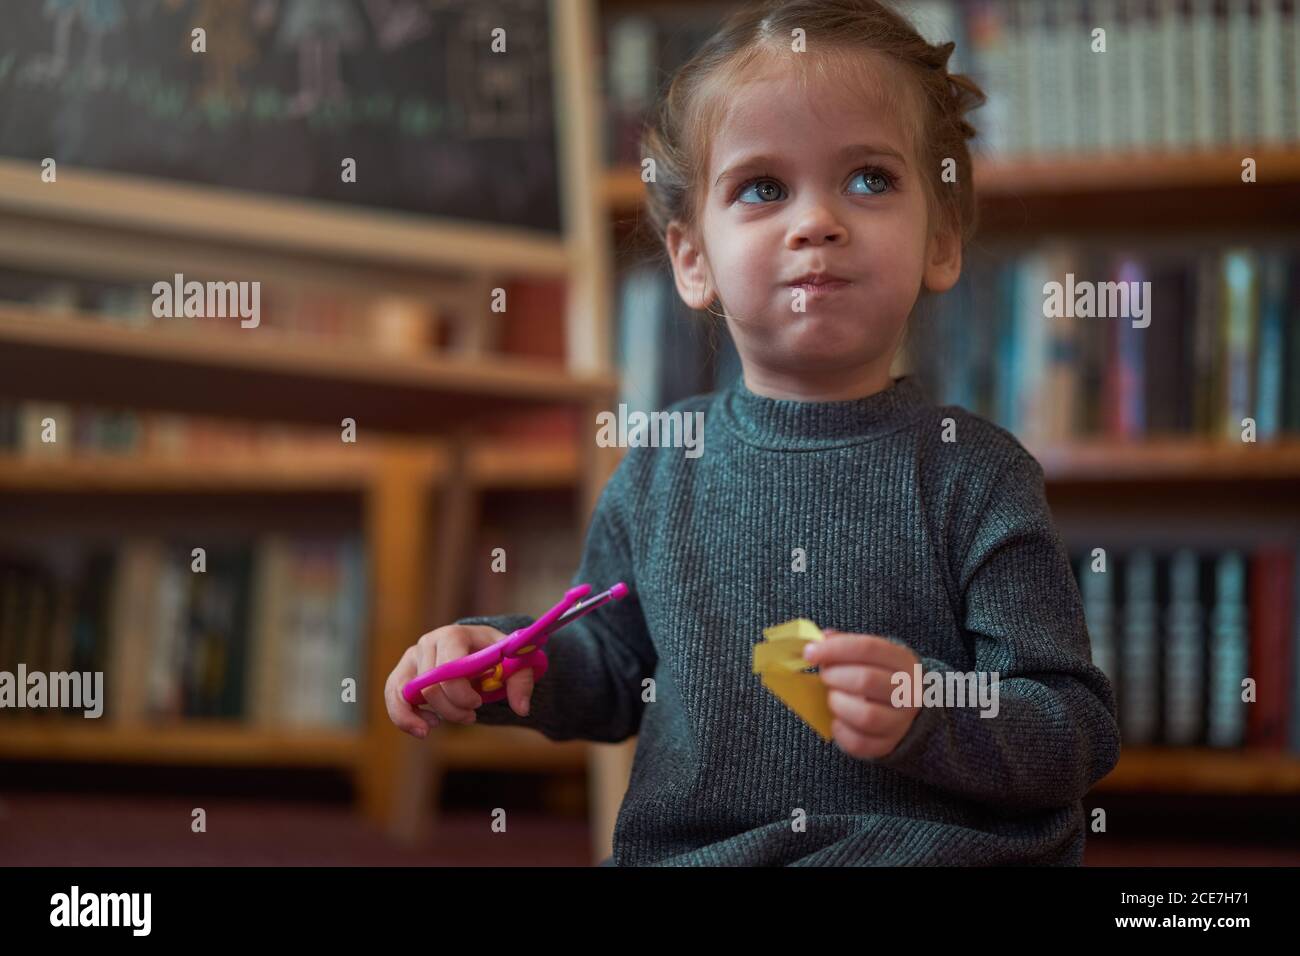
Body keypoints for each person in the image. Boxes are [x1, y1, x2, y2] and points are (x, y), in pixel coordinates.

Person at [386, 0, 1120, 866]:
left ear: (942, 241)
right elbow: (615, 666)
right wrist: (507, 662)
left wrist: (931, 709)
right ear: (693, 260)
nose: (817, 222)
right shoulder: (665, 464)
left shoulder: (978, 474)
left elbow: (1073, 726)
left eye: (870, 179)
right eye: (763, 188)